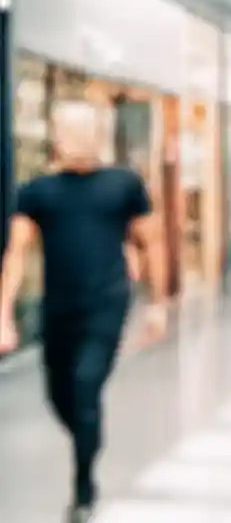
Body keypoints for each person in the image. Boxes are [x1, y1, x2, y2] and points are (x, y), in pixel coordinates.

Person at [0, 100, 167, 522]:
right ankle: (88, 436)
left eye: (85, 131)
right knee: (60, 397)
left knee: (86, 385)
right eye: (69, 131)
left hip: (106, 304)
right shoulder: (36, 192)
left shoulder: (124, 185)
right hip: (57, 310)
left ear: (99, 136)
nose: (77, 140)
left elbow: (153, 242)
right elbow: (16, 255)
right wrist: (3, 315)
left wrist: (158, 305)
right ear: (56, 139)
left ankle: (83, 486)